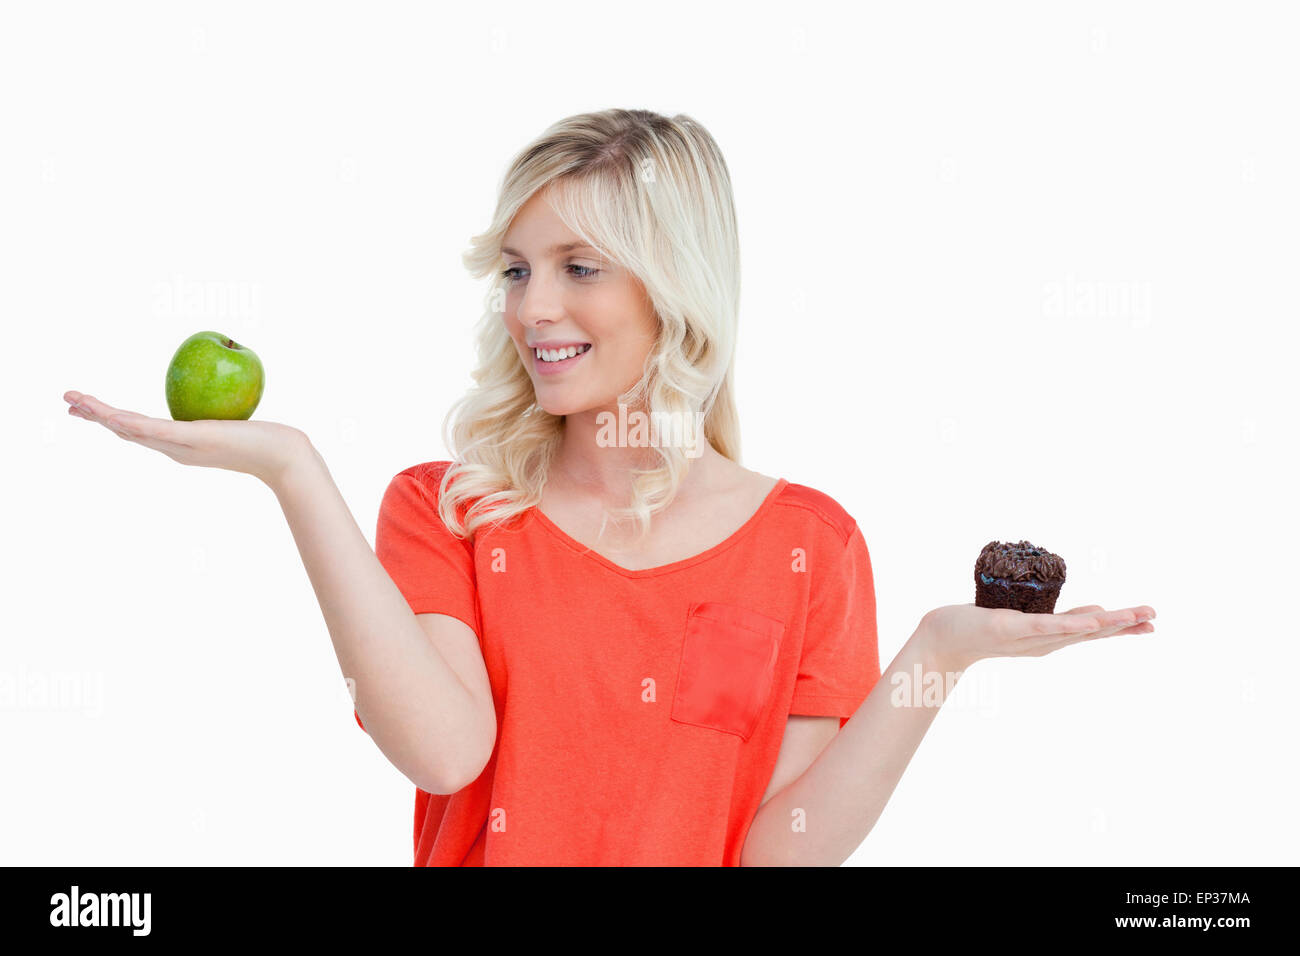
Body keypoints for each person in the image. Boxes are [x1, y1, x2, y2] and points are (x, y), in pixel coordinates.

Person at [63, 108, 1156, 866]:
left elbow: (777, 848)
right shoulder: (448, 506)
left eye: (579, 267)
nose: (533, 307)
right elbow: (445, 751)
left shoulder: (810, 544)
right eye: (517, 267)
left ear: (677, 288)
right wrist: (293, 472)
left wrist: (934, 662)